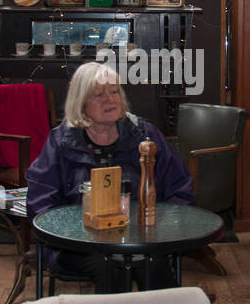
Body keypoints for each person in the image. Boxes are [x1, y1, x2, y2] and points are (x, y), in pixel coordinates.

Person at [26, 62, 194, 290]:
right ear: (81, 103)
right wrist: (71, 233)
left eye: (114, 92)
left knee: (153, 264)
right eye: (98, 95)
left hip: (141, 239)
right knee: (110, 266)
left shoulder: (144, 136)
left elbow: (180, 186)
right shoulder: (61, 142)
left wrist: (162, 228)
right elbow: (40, 201)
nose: (110, 100)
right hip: (79, 245)